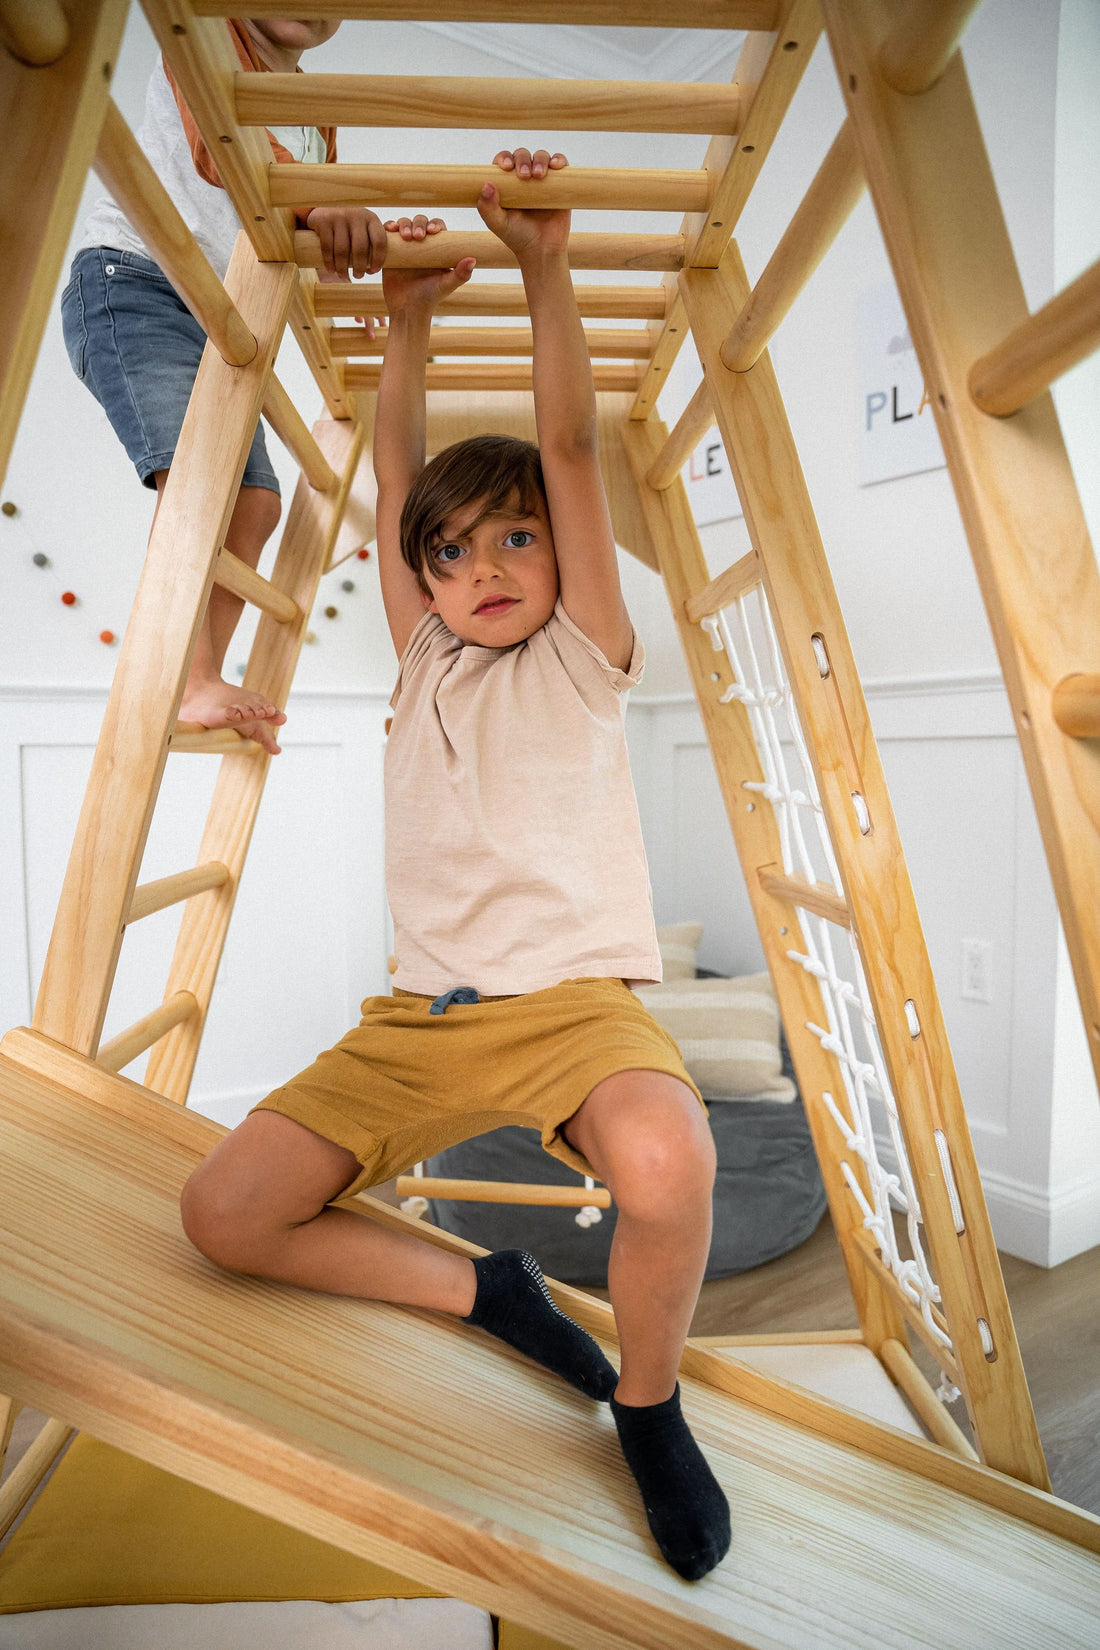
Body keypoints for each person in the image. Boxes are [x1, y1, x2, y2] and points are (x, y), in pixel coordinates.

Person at [179, 147, 730, 1582]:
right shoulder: (422, 651)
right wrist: (403, 328)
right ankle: (489, 1291)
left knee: (672, 1154)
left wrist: (544, 267)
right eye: (451, 551)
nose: (481, 563)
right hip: (419, 1017)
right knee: (223, 1214)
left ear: (557, 561)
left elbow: (569, 444)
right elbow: (395, 476)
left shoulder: (584, 656)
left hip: (574, 1009)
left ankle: (650, 1405)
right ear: (420, 582)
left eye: (513, 540)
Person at [60, 17, 392, 754]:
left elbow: (300, 232)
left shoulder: (319, 110)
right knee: (201, 482)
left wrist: (347, 285)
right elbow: (223, 151)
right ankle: (188, 677)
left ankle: (189, 672)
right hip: (135, 281)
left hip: (216, 318)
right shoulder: (205, 39)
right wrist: (319, 202)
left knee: (257, 504)